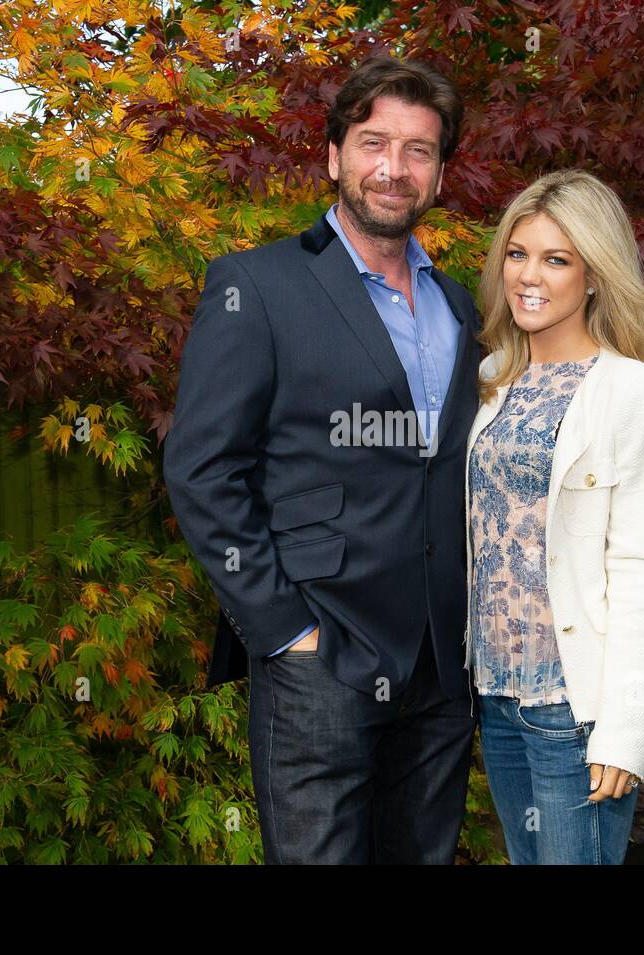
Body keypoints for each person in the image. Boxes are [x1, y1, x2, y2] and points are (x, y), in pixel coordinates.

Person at [162, 55, 480, 864]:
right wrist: (283, 630)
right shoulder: (257, 286)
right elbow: (201, 469)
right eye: (375, 143)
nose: (394, 168)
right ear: (334, 155)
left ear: (440, 172)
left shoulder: (459, 302)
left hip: (443, 664)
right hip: (322, 653)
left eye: (418, 150)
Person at [465, 168, 644, 864]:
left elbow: (642, 569)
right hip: (495, 693)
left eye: (557, 259)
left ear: (593, 275)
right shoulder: (495, 378)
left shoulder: (632, 391)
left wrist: (623, 730)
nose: (530, 274)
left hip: (571, 706)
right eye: (518, 253)